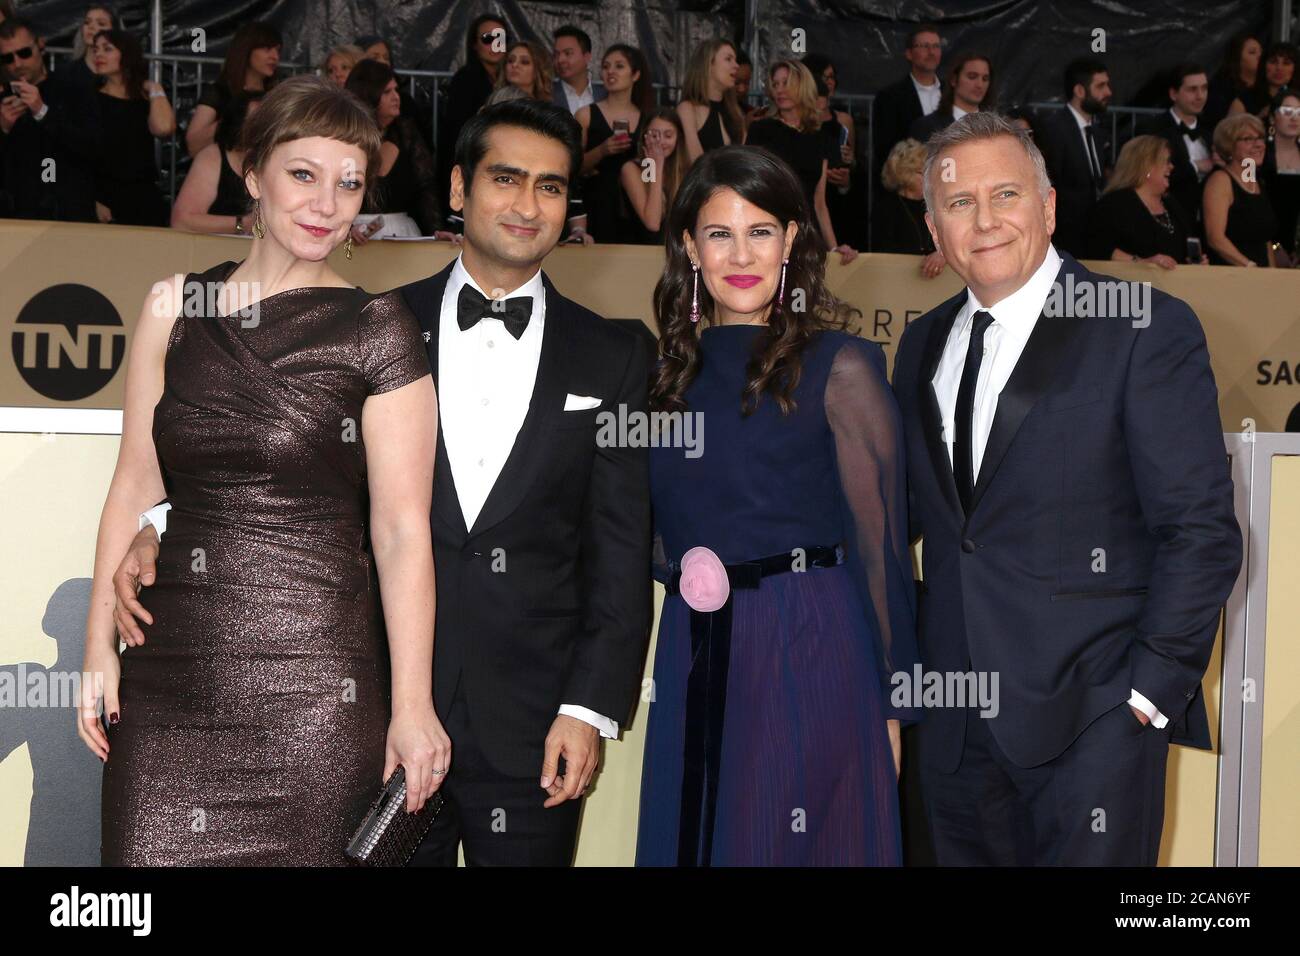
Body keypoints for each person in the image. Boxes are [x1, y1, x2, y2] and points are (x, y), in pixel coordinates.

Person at [80, 75, 446, 865]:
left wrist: (411, 704)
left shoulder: (380, 331)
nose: (328, 203)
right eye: (304, 175)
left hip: (318, 696)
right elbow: (135, 486)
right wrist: (95, 653)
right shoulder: (171, 309)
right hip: (171, 683)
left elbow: (401, 532)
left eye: (350, 183)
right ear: (252, 175)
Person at [891, 111, 1242, 866]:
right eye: (958, 203)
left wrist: (1147, 695)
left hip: (1096, 725)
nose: (983, 221)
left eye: (1006, 195)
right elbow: (917, 524)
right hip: (952, 731)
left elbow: (1200, 531)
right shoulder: (920, 345)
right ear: (933, 227)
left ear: (1048, 207)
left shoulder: (1142, 327)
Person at [381, 99, 649, 866]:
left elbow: (619, 551)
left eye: (552, 187)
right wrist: (158, 517)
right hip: (395, 718)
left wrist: (588, 707)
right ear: (459, 189)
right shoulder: (381, 328)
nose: (529, 205)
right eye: (507, 179)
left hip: (539, 729)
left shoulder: (617, 354)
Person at [636, 144, 918, 865]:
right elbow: (654, 537)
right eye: (719, 233)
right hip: (694, 649)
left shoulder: (840, 366)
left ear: (792, 239)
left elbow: (881, 548)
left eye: (760, 231)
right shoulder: (662, 380)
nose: (741, 253)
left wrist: (891, 706)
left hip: (811, 641)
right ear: (688, 248)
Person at [745, 59, 856, 263]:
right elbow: (749, 187)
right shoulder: (761, 130)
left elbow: (819, 202)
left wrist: (833, 247)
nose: (780, 89)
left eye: (786, 82)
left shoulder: (821, 138)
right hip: (767, 233)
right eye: (775, 84)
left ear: (803, 85)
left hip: (806, 236)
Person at [0, 17, 101, 221]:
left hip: (69, 213)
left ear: (41, 45)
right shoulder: (4, 102)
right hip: (20, 217)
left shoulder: (73, 88)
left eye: (24, 53)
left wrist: (42, 112)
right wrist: (2, 130)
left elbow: (91, 146)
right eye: (7, 58)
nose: (17, 63)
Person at [346, 59, 444, 239]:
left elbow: (426, 186)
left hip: (402, 235)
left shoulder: (406, 132)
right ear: (368, 96)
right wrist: (344, 228)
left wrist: (435, 231)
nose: (396, 96)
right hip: (353, 236)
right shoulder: (346, 137)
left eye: (396, 90)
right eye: (387, 92)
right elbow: (339, 189)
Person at [90, 28, 173, 227]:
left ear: (126, 54)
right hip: (105, 196)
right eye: (95, 49)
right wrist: (92, 199)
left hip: (142, 195)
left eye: (107, 49)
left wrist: (155, 88)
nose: (98, 54)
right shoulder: (91, 97)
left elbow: (164, 128)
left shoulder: (144, 97)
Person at [1037, 58, 1113, 257]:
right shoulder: (1053, 129)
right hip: (1065, 239)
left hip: (1095, 235)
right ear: (1079, 91)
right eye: (1101, 86)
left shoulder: (1097, 131)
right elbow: (1050, 182)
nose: (1108, 93)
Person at [576, 44, 652, 243]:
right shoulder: (585, 115)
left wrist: (643, 165)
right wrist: (601, 151)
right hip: (595, 205)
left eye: (619, 66)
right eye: (606, 66)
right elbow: (571, 167)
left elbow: (651, 171)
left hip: (635, 207)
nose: (610, 71)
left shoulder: (647, 119)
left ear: (635, 75)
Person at [1089, 135, 1196, 267]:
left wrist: (1194, 262)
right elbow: (1098, 247)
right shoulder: (1114, 205)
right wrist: (1140, 262)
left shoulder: (1171, 203)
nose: (1171, 167)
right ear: (1147, 166)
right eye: (1166, 161)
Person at [437, 14, 506, 214]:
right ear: (474, 44)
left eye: (500, 38)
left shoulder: (507, 79)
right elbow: (458, 131)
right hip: (471, 168)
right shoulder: (466, 79)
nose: (495, 44)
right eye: (487, 39)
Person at [170, 92, 262, 234]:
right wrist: (243, 223)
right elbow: (181, 221)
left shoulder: (281, 160)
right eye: (256, 121)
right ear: (238, 125)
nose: (264, 128)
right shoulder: (213, 157)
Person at [185, 21, 280, 157]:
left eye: (278, 50)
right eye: (267, 49)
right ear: (246, 49)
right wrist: (235, 118)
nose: (275, 56)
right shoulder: (219, 92)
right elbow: (193, 145)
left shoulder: (275, 96)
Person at [1141, 63, 1213, 231]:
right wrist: (1196, 166)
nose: (1200, 96)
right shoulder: (1152, 129)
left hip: (1205, 223)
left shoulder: (1212, 129)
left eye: (1204, 88)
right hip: (1165, 221)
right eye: (1192, 89)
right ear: (1174, 94)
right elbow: (1146, 174)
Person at [1204, 113, 1277, 266]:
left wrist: (1272, 274)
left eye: (1260, 138)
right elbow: (1215, 238)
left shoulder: (1258, 183)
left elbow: (1265, 240)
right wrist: (1249, 266)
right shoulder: (1220, 181)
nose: (1258, 144)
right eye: (1248, 139)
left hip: (1261, 279)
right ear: (1229, 146)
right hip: (1231, 277)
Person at [872, 24, 942, 178]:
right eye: (924, 46)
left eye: (936, 46)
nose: (931, 52)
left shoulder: (952, 93)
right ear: (909, 54)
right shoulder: (890, 97)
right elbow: (886, 149)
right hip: (907, 184)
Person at [872, 138, 946, 278]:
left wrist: (942, 253)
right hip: (897, 282)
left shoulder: (935, 205)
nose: (929, 179)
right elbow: (884, 252)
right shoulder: (887, 208)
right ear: (905, 173)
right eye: (922, 173)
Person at [620, 107, 687, 244]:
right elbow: (652, 223)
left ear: (677, 138)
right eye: (654, 135)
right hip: (639, 251)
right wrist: (656, 166)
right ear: (644, 137)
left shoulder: (682, 170)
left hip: (672, 252)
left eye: (668, 136)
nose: (660, 141)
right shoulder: (632, 169)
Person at [677, 38, 743, 163]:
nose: (736, 65)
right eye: (728, 59)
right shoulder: (687, 109)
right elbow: (696, 165)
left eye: (735, 60)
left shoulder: (736, 112)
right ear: (708, 64)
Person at [908, 53, 992, 143]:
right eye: (972, 77)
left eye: (985, 79)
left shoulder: (995, 127)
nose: (980, 84)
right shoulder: (926, 127)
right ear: (954, 80)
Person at [1263, 89, 1300, 258]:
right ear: (1272, 118)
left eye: (1299, 112)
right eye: (1287, 111)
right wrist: (1275, 248)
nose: (1294, 117)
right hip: (1263, 243)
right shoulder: (1253, 155)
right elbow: (1246, 200)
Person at [1204, 33, 1261, 135]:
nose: (1259, 56)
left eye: (1261, 51)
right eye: (1252, 52)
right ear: (1237, 57)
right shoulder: (1221, 88)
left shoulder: (1264, 86)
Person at [1229, 41, 1296, 119]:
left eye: (1286, 63)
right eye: (1273, 62)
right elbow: (1229, 130)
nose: (1279, 68)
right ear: (1263, 65)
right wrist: (1259, 118)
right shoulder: (1244, 100)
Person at [551, 25, 605, 115]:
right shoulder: (546, 94)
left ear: (586, 57)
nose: (560, 60)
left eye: (568, 53)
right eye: (556, 55)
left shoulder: (605, 94)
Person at [485, 40, 552, 105]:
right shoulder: (495, 101)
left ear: (538, 70)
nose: (514, 65)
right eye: (510, 60)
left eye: (524, 62)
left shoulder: (546, 109)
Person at [67, 4, 117, 90]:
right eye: (87, 22)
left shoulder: (124, 78)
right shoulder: (66, 73)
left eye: (101, 24)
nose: (91, 27)